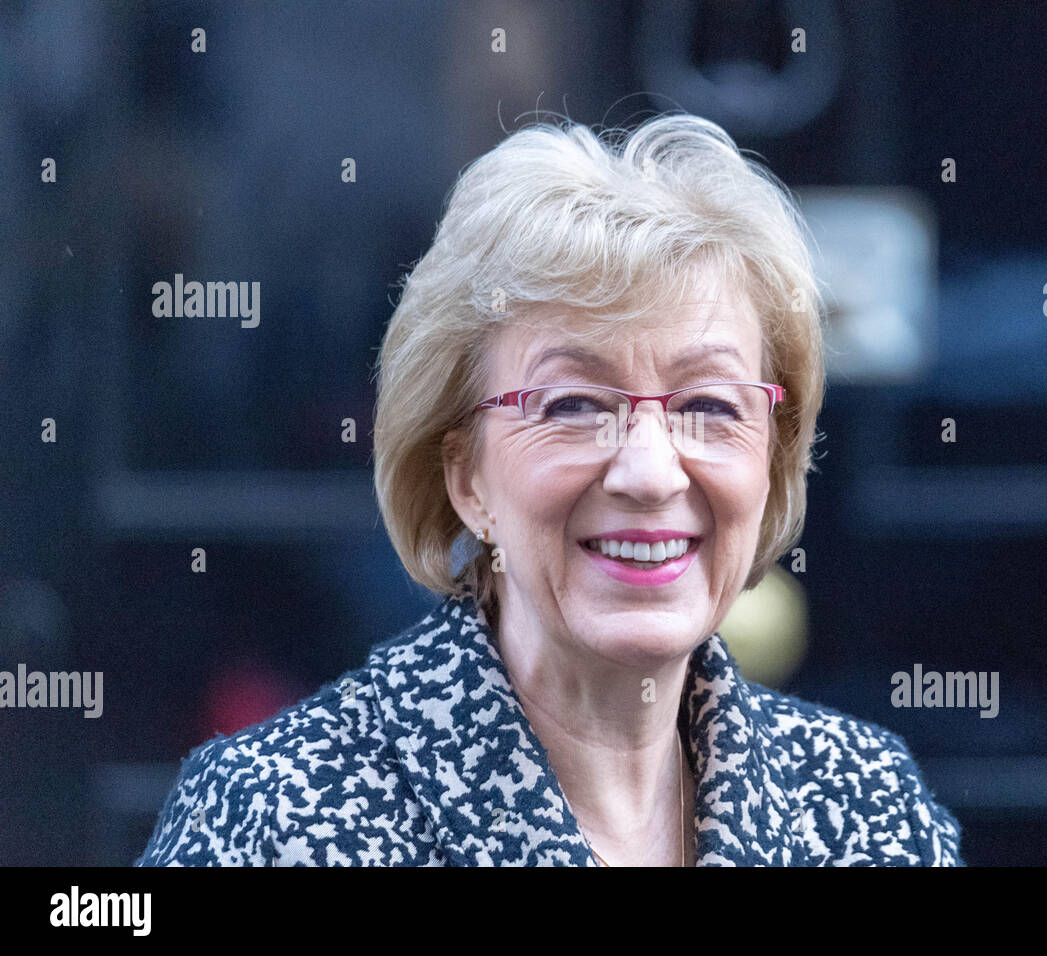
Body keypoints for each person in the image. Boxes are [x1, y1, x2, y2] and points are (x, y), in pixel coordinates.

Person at [136, 112, 963, 866]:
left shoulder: (870, 808)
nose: (650, 472)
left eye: (709, 406)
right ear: (466, 475)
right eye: (574, 406)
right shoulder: (270, 822)